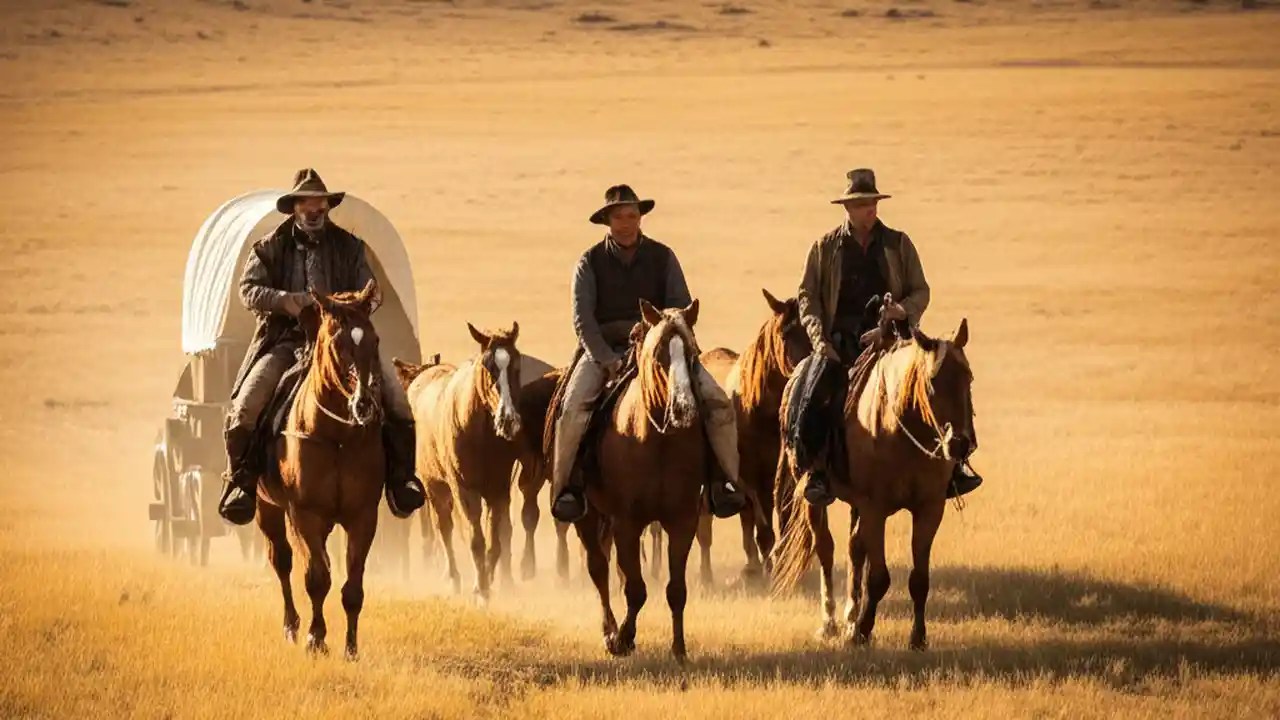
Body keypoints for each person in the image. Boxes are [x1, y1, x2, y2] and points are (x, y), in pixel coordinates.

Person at [218, 168, 426, 525]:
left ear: (328, 207)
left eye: (320, 205)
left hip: (345, 343)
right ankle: (241, 482)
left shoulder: (350, 246)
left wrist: (349, 305)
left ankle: (401, 479)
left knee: (397, 401)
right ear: (294, 208)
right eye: (306, 204)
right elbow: (248, 290)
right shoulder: (270, 247)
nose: (314, 211)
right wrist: (289, 300)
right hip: (286, 342)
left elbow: (371, 291)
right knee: (246, 405)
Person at [548, 184, 748, 523]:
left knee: (717, 402)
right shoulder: (589, 262)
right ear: (607, 221)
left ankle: (724, 482)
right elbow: (583, 320)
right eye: (619, 217)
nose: (626, 223)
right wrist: (607, 360)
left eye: (632, 215)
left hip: (663, 349)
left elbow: (681, 306)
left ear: (640, 218)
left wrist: (657, 335)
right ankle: (567, 488)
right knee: (572, 408)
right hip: (604, 350)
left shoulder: (663, 257)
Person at [796, 168, 981, 505]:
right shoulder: (825, 248)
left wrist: (902, 311)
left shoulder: (898, 244)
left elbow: (921, 290)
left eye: (873, 202)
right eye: (862, 204)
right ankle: (817, 471)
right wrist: (820, 341)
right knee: (812, 397)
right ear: (847, 208)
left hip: (893, 343)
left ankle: (955, 468)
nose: (870, 209)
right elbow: (807, 298)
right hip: (840, 344)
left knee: (940, 385)